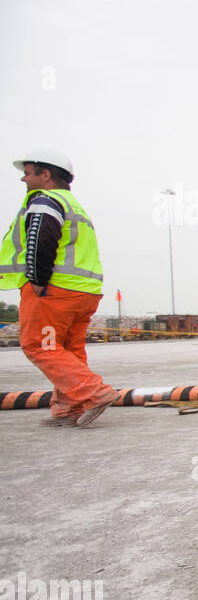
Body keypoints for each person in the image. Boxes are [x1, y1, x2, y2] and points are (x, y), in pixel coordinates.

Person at [0, 150, 117, 427]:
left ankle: (93, 391)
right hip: (84, 290)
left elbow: (41, 239)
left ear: (46, 174)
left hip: (55, 290)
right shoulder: (73, 204)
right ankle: (67, 408)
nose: (23, 178)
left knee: (41, 346)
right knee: (67, 349)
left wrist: (37, 279)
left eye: (28, 173)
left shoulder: (45, 201)